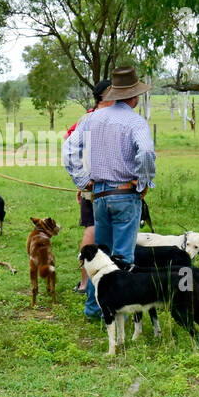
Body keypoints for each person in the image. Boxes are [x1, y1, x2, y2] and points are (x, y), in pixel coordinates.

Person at [63, 65, 156, 319]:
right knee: (123, 256)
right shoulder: (135, 122)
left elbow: (68, 150)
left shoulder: (91, 118)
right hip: (125, 195)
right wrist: (144, 181)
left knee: (100, 254)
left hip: (100, 197)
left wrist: (83, 180)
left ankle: (94, 308)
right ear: (134, 96)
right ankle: (120, 313)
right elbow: (146, 153)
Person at [66, 78, 114, 293]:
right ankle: (87, 283)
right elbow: (71, 146)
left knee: (96, 230)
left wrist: (81, 180)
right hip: (99, 189)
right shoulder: (96, 119)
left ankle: (91, 282)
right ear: (106, 97)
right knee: (92, 231)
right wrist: (83, 181)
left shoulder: (86, 119)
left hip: (93, 187)